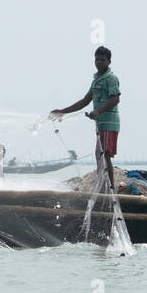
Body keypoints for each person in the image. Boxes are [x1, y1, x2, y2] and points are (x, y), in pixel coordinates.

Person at [49, 45, 121, 191]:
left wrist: (98, 111)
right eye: (96, 59)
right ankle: (103, 185)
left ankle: (110, 187)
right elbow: (85, 101)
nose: (99, 62)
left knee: (104, 155)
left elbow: (115, 99)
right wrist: (63, 111)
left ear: (109, 61)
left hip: (108, 123)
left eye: (102, 59)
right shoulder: (96, 80)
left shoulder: (111, 78)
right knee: (99, 155)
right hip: (100, 124)